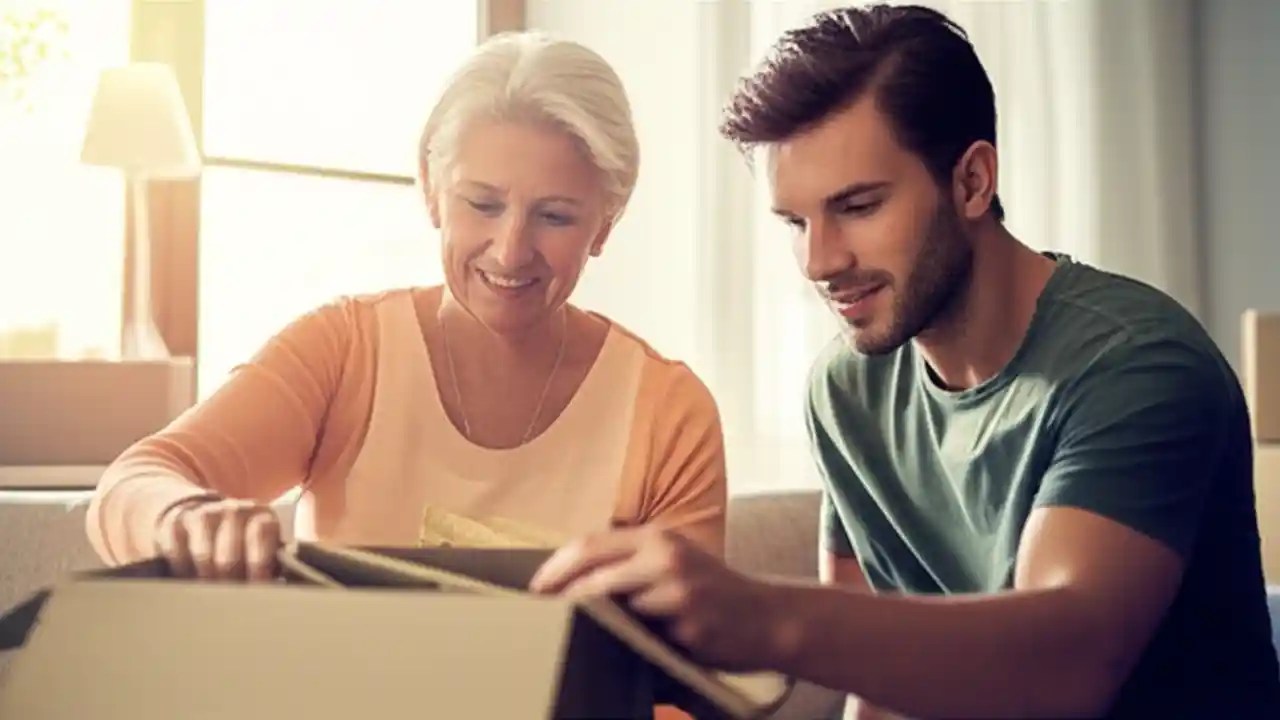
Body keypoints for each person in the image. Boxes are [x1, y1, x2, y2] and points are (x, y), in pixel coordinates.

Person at [529, 5, 1280, 719]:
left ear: (972, 182)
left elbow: (1067, 666)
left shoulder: (1137, 367)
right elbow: (881, 692)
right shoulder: (847, 386)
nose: (819, 261)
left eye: (858, 207)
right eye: (795, 221)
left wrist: (759, 614)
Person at [85, 32, 727, 584]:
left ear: (605, 224)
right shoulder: (342, 351)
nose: (510, 251)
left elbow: (680, 676)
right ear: (431, 192)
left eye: (554, 216)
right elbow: (134, 481)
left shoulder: (668, 414)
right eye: (482, 204)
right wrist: (182, 517)